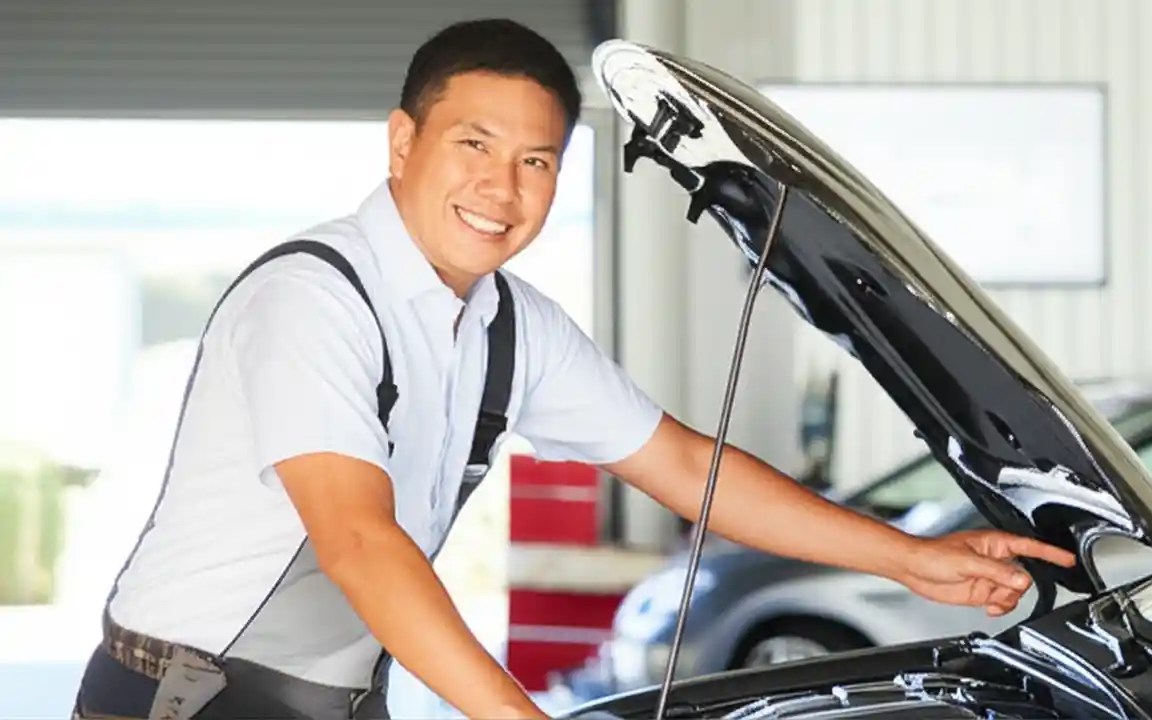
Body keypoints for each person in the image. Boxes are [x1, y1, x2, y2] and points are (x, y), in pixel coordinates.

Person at [72, 17, 1076, 720]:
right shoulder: (312, 299)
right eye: (473, 144)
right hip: (178, 698)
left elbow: (682, 466)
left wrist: (907, 557)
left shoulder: (512, 325)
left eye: (536, 161)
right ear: (402, 141)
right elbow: (360, 544)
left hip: (340, 698)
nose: (501, 188)